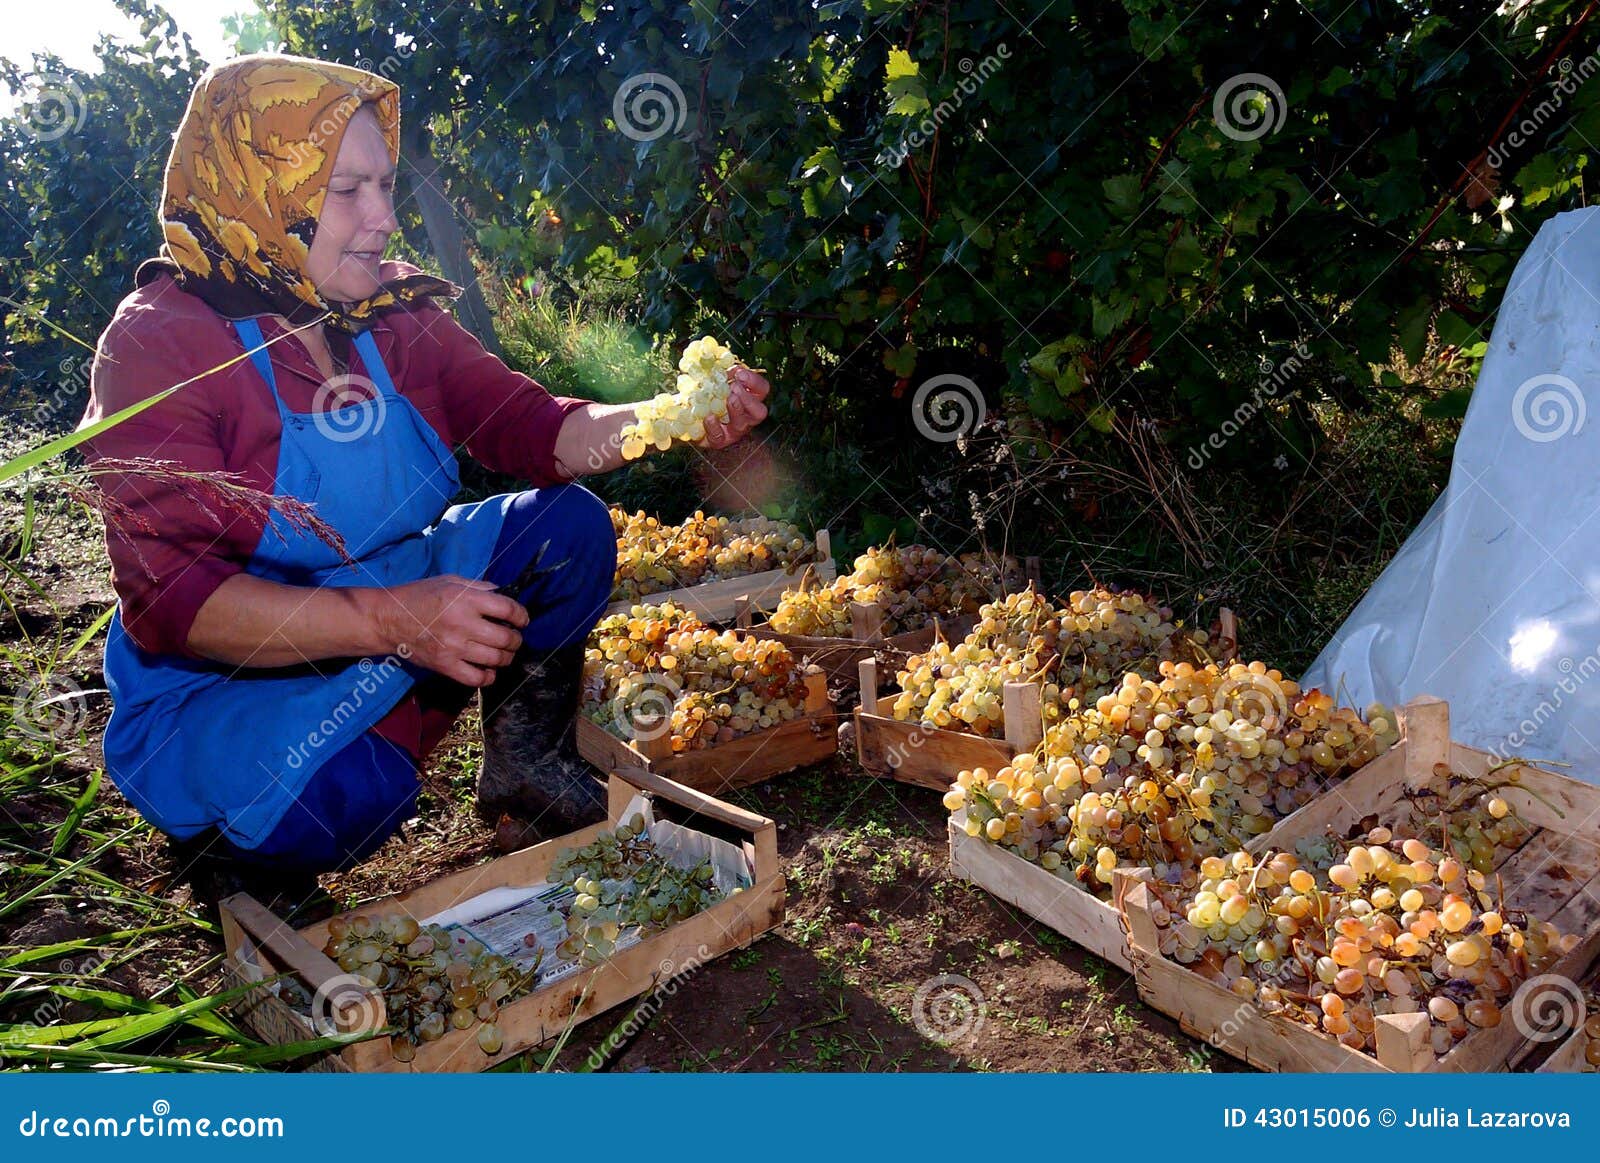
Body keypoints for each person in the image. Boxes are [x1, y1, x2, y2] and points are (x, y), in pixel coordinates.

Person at [74, 54, 770, 901]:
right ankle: (230, 856)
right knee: (353, 797)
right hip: (225, 674)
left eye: (385, 184)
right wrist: (395, 619)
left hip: (382, 600)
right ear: (261, 191)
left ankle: (526, 764)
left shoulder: (389, 308)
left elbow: (531, 428)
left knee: (567, 527)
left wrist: (667, 415)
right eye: (345, 192)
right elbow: (175, 601)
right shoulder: (162, 345)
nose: (381, 219)